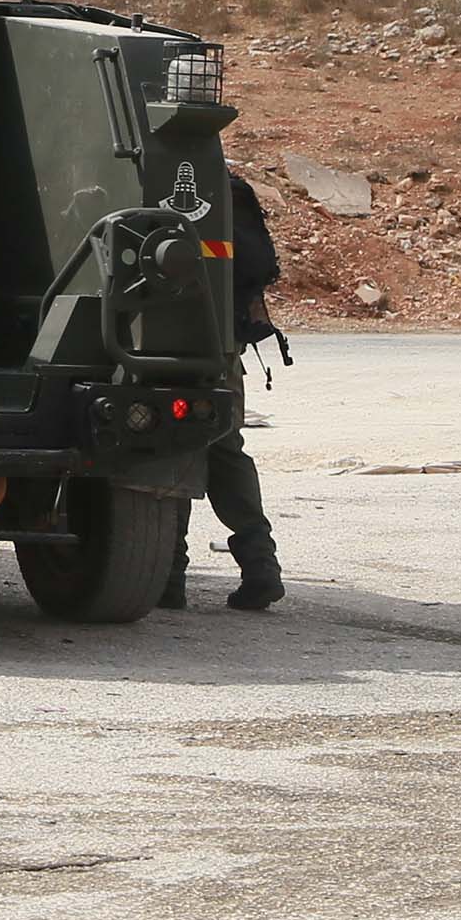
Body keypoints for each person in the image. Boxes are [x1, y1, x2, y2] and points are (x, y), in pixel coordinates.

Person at [166, 171, 288, 613]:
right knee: (224, 448)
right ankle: (260, 565)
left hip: (162, 341)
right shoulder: (225, 186)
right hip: (221, 345)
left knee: (168, 447)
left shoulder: (147, 173)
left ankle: (169, 575)